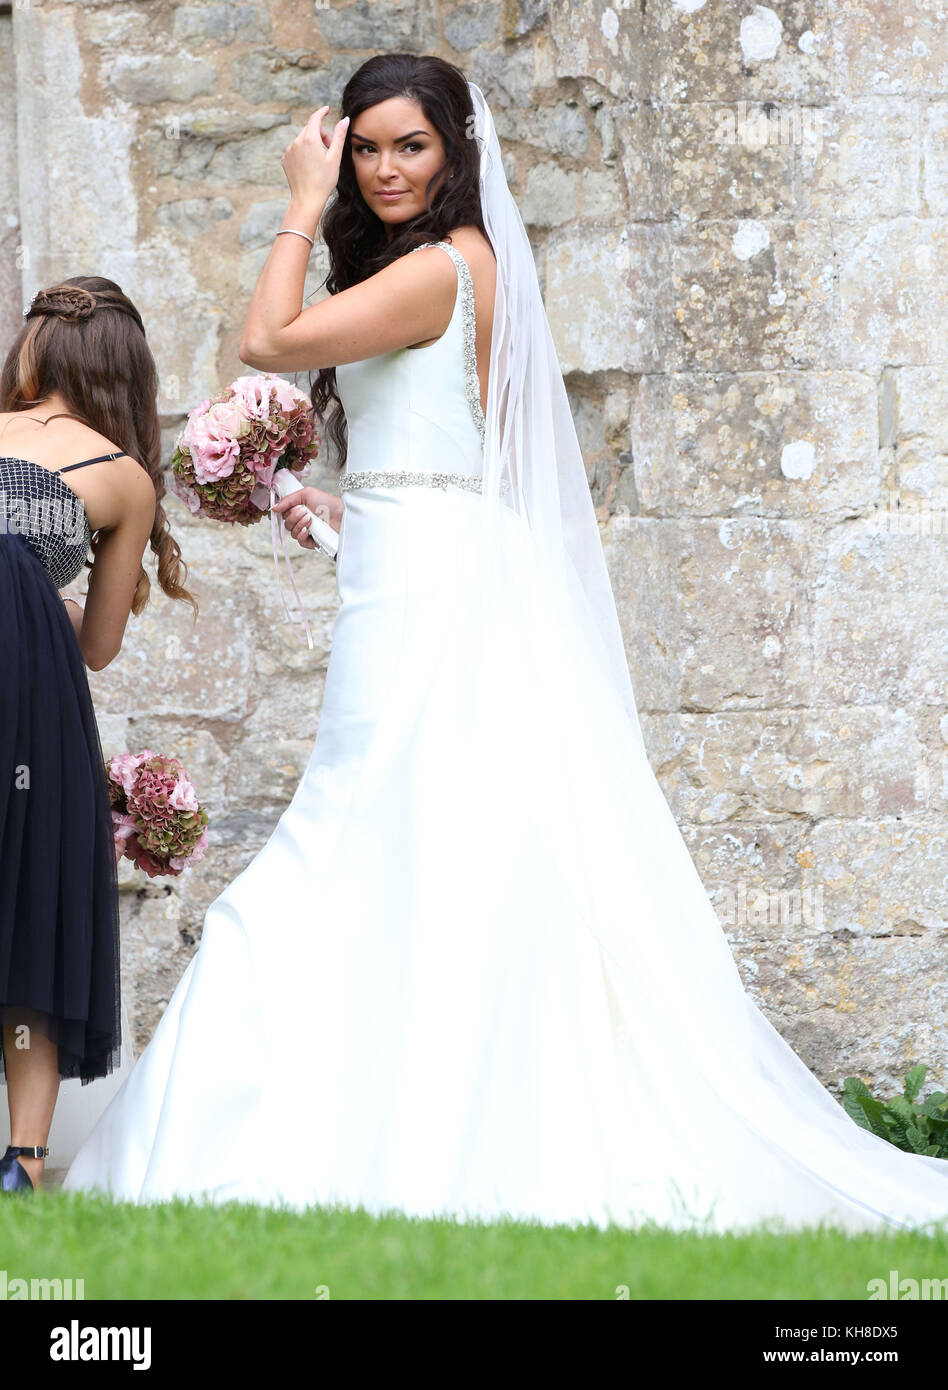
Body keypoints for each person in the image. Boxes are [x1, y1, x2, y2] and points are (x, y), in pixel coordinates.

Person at [64, 56, 948, 1235]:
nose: (380, 170)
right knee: (416, 829)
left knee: (364, 822)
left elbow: (267, 338)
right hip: (412, 555)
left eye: (407, 147)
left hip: (433, 587)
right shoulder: (435, 272)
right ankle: (395, 1128)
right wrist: (333, 504)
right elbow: (438, 452)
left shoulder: (444, 266)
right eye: (365, 148)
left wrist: (296, 198)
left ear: (456, 154)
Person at [0, 278, 197, 1193]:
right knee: (29, 903)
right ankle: (25, 1160)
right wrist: (39, 592)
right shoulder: (121, 478)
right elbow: (100, 646)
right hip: (30, 705)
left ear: (35, 349)